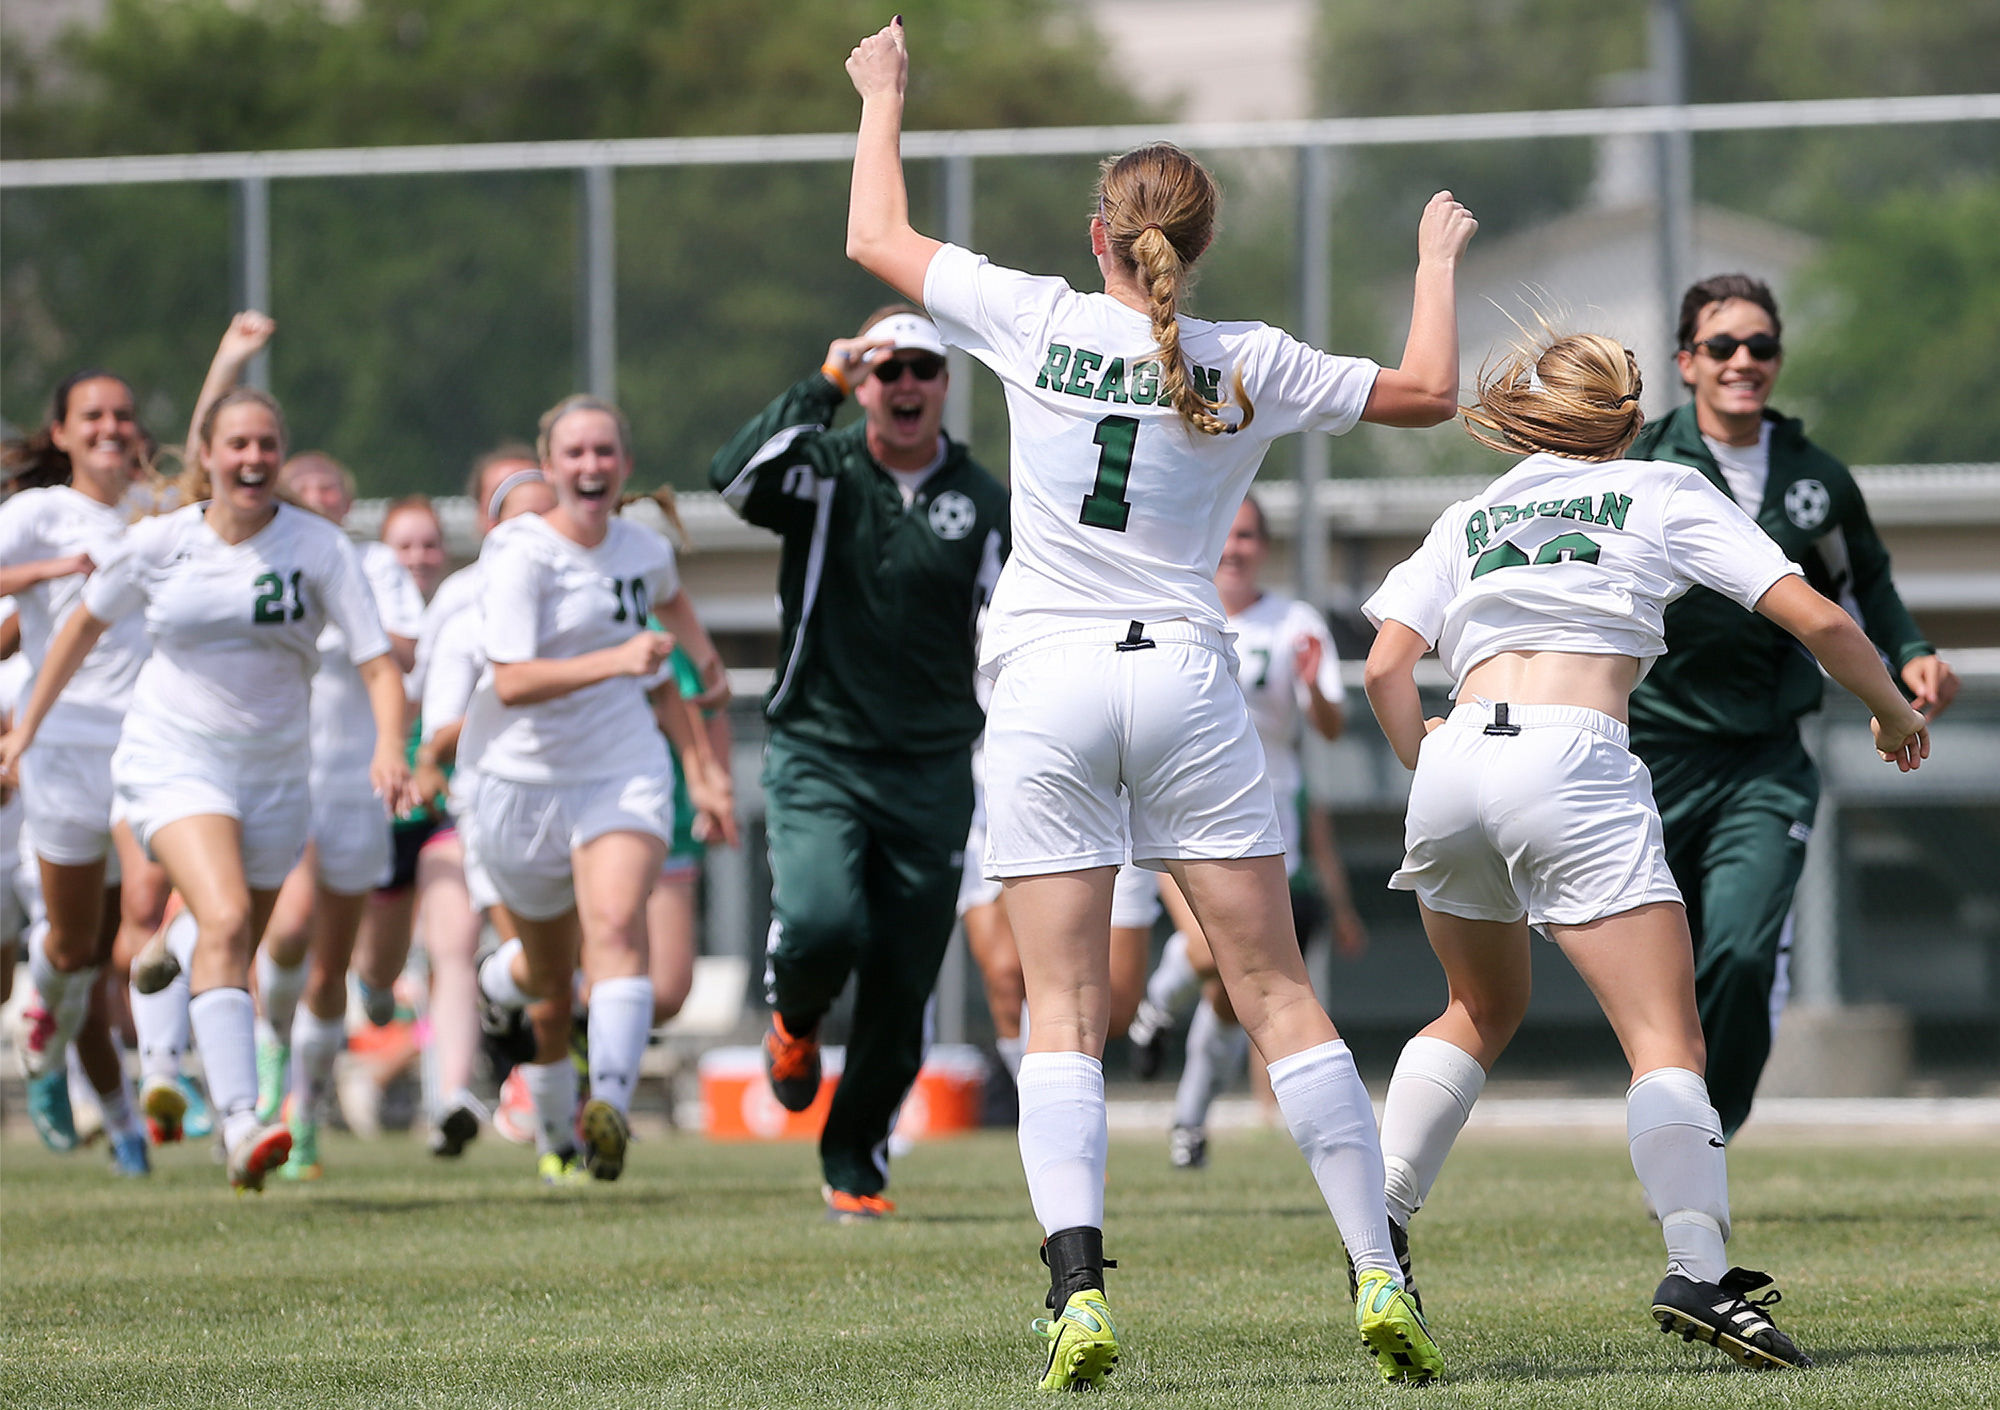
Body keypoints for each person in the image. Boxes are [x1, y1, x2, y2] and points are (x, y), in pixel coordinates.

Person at [843, 18, 1473, 1388]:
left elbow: (875, 237)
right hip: (1189, 679)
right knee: (1277, 995)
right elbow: (1428, 389)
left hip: (1049, 683)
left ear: (1098, 237)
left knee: (1060, 1008)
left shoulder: (1036, 319)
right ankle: (1378, 1266)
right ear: (1202, 239)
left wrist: (883, 96)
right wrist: (1434, 261)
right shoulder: (1248, 356)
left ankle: (1078, 1291)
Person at [1360, 325, 1929, 1372]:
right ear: (1627, 418)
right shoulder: (1660, 489)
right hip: (1570, 761)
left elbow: (1383, 670)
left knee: (1476, 1009)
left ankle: (1377, 1230)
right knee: (1664, 1041)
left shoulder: (1469, 513)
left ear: (1530, 416)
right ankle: (1697, 1271)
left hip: (1451, 765)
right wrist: (1891, 715)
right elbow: (1820, 622)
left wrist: (1419, 755)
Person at [0, 385, 411, 1192]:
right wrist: (25, 731)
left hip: (274, 773)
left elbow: (375, 662)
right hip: (171, 757)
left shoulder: (319, 548)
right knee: (222, 918)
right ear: (210, 457)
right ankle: (239, 1124)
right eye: (237, 445)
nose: (253, 458)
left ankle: (172, 953)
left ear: (279, 456)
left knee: (230, 940)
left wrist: (391, 744)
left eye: (267, 445)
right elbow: (79, 627)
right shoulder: (161, 542)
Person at [1626, 274, 1959, 1138]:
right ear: (1685, 362)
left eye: (1761, 346)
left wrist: (1913, 652)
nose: (1744, 362)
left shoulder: (1818, 482)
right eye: (1723, 346)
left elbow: (1867, 588)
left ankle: (1707, 1136)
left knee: (1738, 956)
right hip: (1647, 758)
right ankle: (1670, 1126)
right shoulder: (1638, 466)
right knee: (1661, 972)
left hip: (1764, 760)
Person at [709, 289, 1009, 1223]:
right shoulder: (821, 470)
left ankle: (856, 1163)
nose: (907, 385)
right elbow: (729, 477)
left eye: (923, 369)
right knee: (822, 921)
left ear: (946, 384)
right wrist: (822, 383)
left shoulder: (984, 501)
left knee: (902, 979)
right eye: (888, 370)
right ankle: (792, 1021)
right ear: (866, 382)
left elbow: (1008, 631)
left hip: (931, 768)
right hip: (819, 751)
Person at [467, 394, 725, 1185]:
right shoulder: (518, 555)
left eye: (605, 453)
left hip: (621, 766)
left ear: (626, 466)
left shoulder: (642, 549)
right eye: (575, 454)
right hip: (522, 784)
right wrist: (620, 659)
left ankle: (609, 1109)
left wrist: (703, 716)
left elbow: (672, 623)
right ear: (549, 467)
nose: (591, 467)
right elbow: (511, 683)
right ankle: (549, 1123)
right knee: (547, 987)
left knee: (614, 924)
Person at [1123, 493, 1365, 1168]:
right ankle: (1154, 1010)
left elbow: (1331, 728)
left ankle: (1189, 1123)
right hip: (1175, 808)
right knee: (1206, 952)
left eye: (1250, 536)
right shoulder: (1171, 605)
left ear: (1265, 545)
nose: (1235, 548)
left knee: (1238, 989)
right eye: (1226, 533)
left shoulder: (1293, 621)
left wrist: (1316, 687)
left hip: (1263, 820)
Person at [0, 366, 174, 1172]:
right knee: (75, 949)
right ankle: (56, 1047)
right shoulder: (37, 514)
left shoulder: (151, 511)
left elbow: (212, 445)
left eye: (124, 415)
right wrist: (41, 574)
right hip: (63, 748)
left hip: (148, 741)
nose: (111, 427)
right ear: (62, 432)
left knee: (140, 908)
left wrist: (231, 362)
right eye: (92, 415)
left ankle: (158, 1086)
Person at [252, 450, 424, 1179]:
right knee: (289, 926)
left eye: (333, 489)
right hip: (285, 774)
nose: (321, 498)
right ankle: (265, 1085)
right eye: (307, 489)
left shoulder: (375, 567)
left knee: (332, 967)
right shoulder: (262, 563)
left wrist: (351, 620)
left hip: (361, 781)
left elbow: (406, 653)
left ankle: (306, 1116)